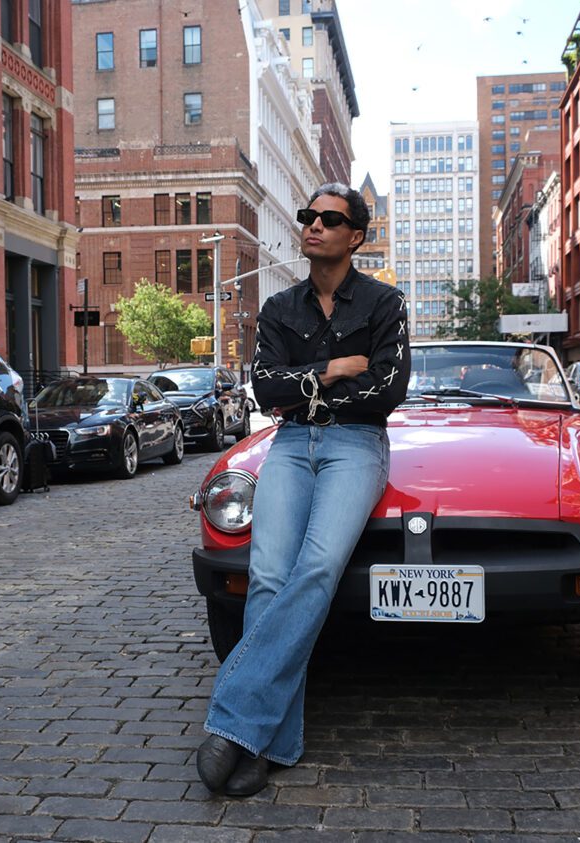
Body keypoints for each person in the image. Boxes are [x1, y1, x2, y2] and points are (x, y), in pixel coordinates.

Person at [196, 183, 410, 798]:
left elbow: (388, 390)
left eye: (330, 219)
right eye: (308, 217)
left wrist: (306, 385)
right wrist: (336, 367)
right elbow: (267, 391)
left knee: (316, 567)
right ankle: (268, 743)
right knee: (266, 576)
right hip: (289, 444)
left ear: (356, 235)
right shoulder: (277, 307)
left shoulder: (384, 303)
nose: (313, 226)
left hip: (357, 445)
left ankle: (235, 728)